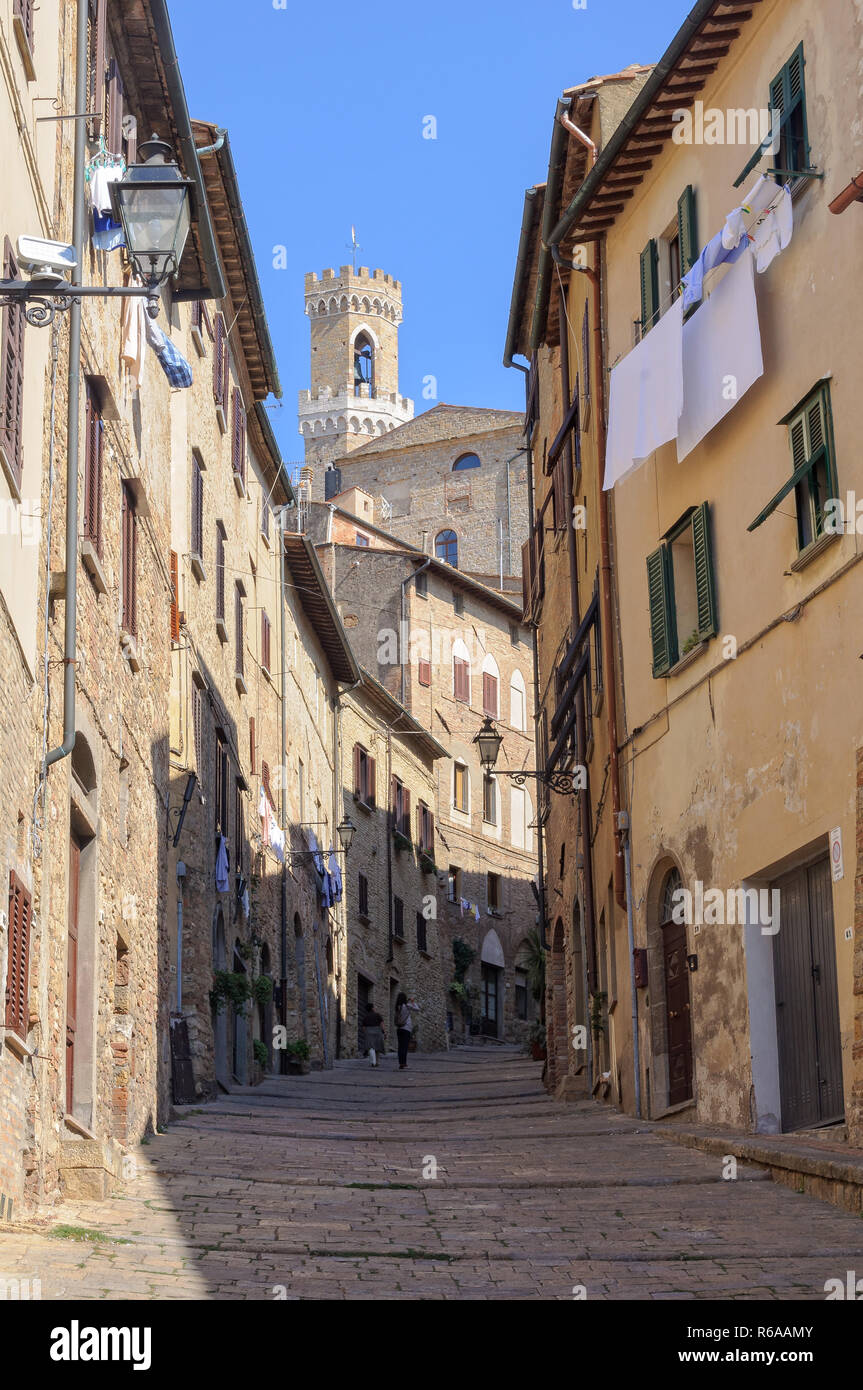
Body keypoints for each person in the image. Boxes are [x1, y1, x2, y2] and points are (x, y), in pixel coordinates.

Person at [394, 992, 420, 1070]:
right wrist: (412, 1001)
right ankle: (404, 1064)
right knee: (404, 1047)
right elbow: (417, 1009)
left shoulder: (397, 1007)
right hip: (406, 1028)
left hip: (399, 1028)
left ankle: (401, 1063)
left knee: (400, 1047)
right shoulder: (407, 1006)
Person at [361, 1001, 385, 1067]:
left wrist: (365, 1033)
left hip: (368, 1032)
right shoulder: (377, 1015)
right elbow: (382, 1023)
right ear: (372, 1008)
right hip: (377, 1031)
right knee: (377, 1047)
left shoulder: (365, 1017)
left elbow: (363, 1027)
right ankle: (376, 1062)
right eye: (374, 1007)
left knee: (371, 1047)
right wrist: (383, 1031)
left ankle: (373, 1062)